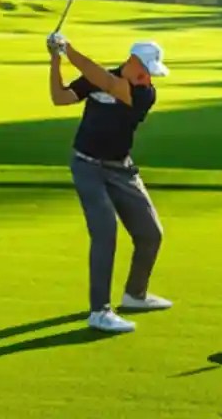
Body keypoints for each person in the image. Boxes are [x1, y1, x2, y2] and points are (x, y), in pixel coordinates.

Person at [47, 31, 172, 333]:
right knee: (105, 233)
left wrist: (68, 49)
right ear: (131, 62)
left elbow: (107, 83)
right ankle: (99, 311)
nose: (147, 79)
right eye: (144, 72)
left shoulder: (144, 94)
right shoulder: (100, 77)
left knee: (151, 233)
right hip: (87, 166)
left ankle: (135, 295)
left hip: (121, 169)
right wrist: (55, 60)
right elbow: (60, 98)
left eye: (150, 75)